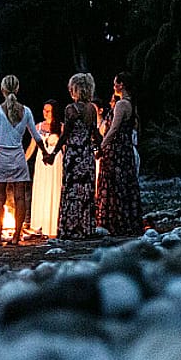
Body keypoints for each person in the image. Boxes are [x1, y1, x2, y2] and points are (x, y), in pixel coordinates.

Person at [0, 75, 50, 246]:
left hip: (1, 156)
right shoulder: (26, 111)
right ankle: (16, 236)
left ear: (2, 90)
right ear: (18, 89)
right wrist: (45, 153)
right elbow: (36, 136)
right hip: (18, 156)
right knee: (20, 198)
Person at [51, 73, 101, 239]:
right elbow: (95, 133)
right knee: (86, 191)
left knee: (71, 191)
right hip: (87, 154)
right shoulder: (92, 110)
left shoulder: (71, 109)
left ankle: (70, 228)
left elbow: (65, 135)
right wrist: (99, 147)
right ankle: (86, 227)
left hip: (73, 154)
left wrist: (53, 154)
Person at [96, 71, 143, 235]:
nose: (113, 86)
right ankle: (127, 220)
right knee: (124, 183)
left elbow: (114, 129)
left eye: (115, 83)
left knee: (114, 184)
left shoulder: (122, 104)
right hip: (124, 149)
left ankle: (115, 221)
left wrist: (102, 146)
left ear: (121, 85)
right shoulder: (131, 103)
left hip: (116, 150)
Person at [29, 99, 63, 237]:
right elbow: (32, 147)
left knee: (54, 189)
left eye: (48, 110)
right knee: (42, 189)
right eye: (44, 110)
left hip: (55, 161)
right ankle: (40, 224)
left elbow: (64, 147)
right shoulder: (38, 127)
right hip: (41, 161)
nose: (45, 113)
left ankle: (53, 224)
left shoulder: (61, 127)